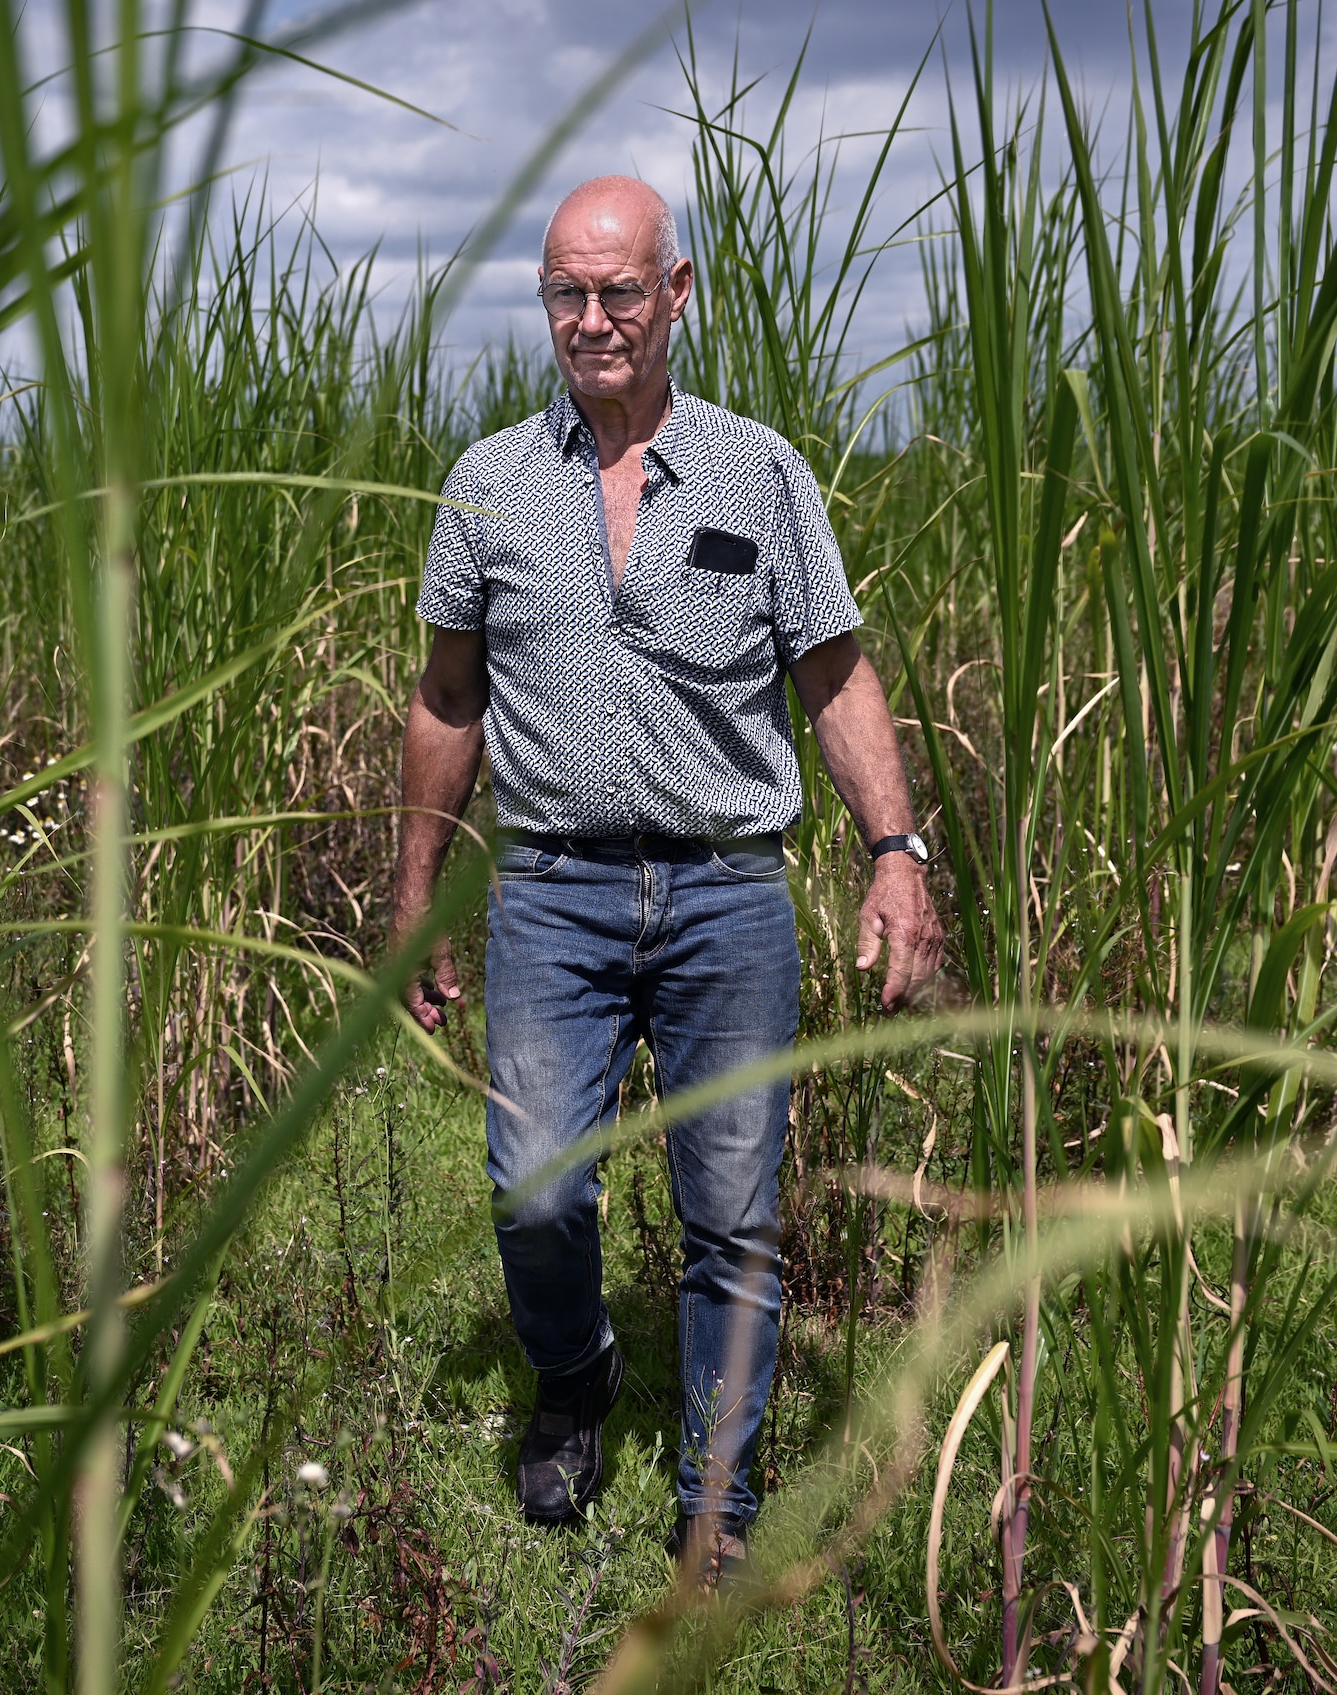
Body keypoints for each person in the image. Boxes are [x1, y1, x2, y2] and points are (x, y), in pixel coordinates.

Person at [389, 175, 944, 1585]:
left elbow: (834, 674)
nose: (594, 320)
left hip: (725, 898)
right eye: (567, 294)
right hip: (552, 893)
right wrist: (415, 896)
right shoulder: (490, 485)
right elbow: (449, 698)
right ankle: (574, 1376)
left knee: (734, 1212)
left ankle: (719, 1506)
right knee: (535, 1189)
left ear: (677, 292)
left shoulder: (761, 475)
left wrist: (894, 852)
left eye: (620, 291)